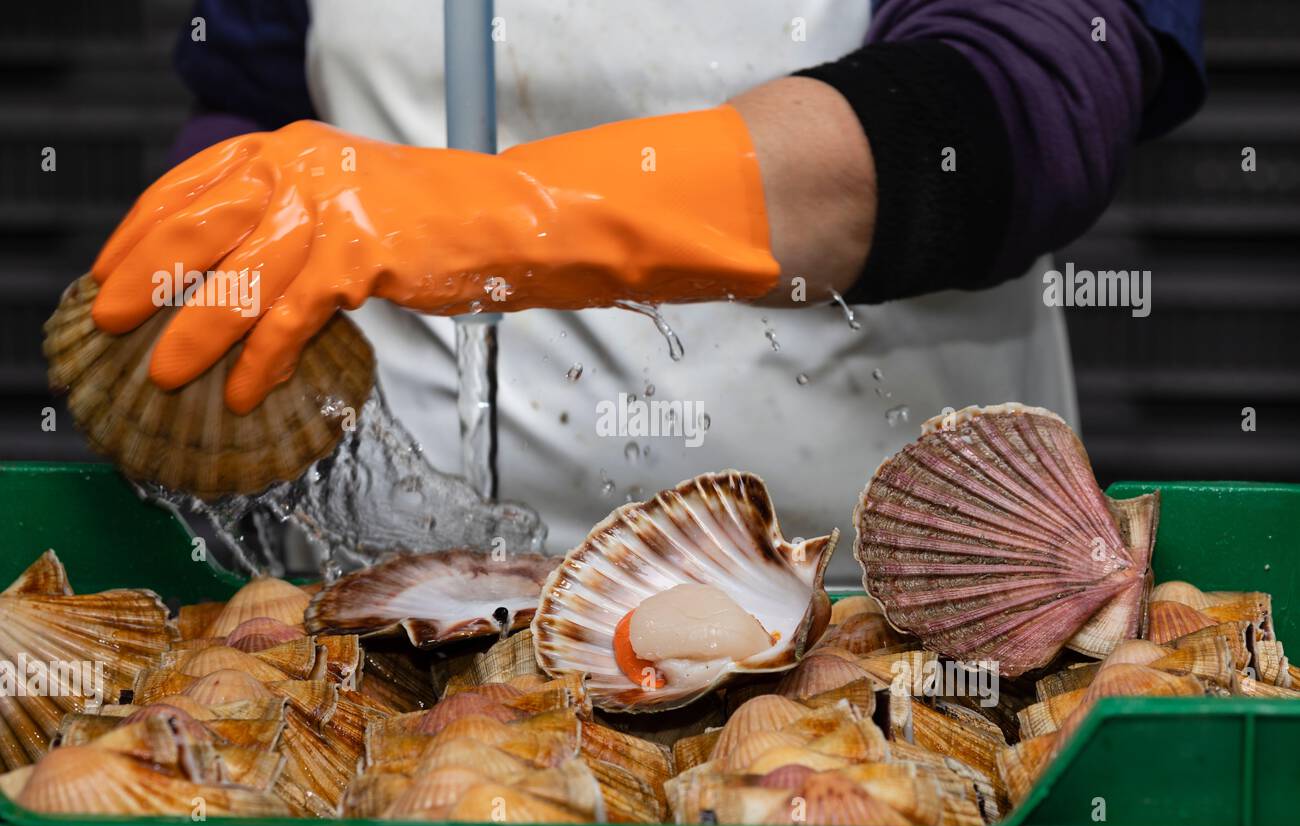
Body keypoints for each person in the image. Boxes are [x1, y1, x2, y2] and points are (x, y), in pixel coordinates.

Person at [89, 0, 1205, 583]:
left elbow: (1020, 102)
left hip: (862, 624)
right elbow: (255, 81)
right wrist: (217, 254)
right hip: (388, 610)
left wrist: (495, 215)